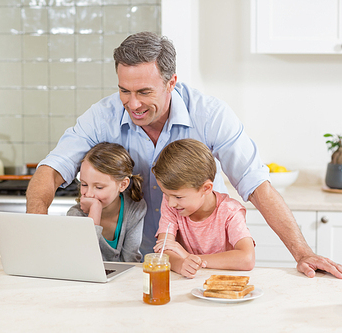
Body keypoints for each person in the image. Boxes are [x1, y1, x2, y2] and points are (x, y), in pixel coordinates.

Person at [26, 31, 342, 279]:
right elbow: (52, 169)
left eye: (144, 92)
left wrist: (302, 252)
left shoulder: (210, 115)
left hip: (200, 265)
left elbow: (256, 184)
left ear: (171, 83)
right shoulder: (102, 115)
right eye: (125, 90)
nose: (132, 103)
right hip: (134, 265)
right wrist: (35, 239)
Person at [152, 139, 255, 278]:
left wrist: (190, 257)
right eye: (166, 194)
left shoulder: (230, 211)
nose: (170, 203)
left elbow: (247, 259)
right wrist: (181, 265)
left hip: (224, 283)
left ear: (206, 188)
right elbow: (164, 249)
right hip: (189, 283)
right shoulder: (173, 203)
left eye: (178, 197)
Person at [66, 142, 146, 262]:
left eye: (99, 187)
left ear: (123, 185)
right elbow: (83, 261)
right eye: (84, 184)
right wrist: (94, 213)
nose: (88, 194)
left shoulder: (134, 208)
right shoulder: (76, 215)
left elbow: (131, 260)